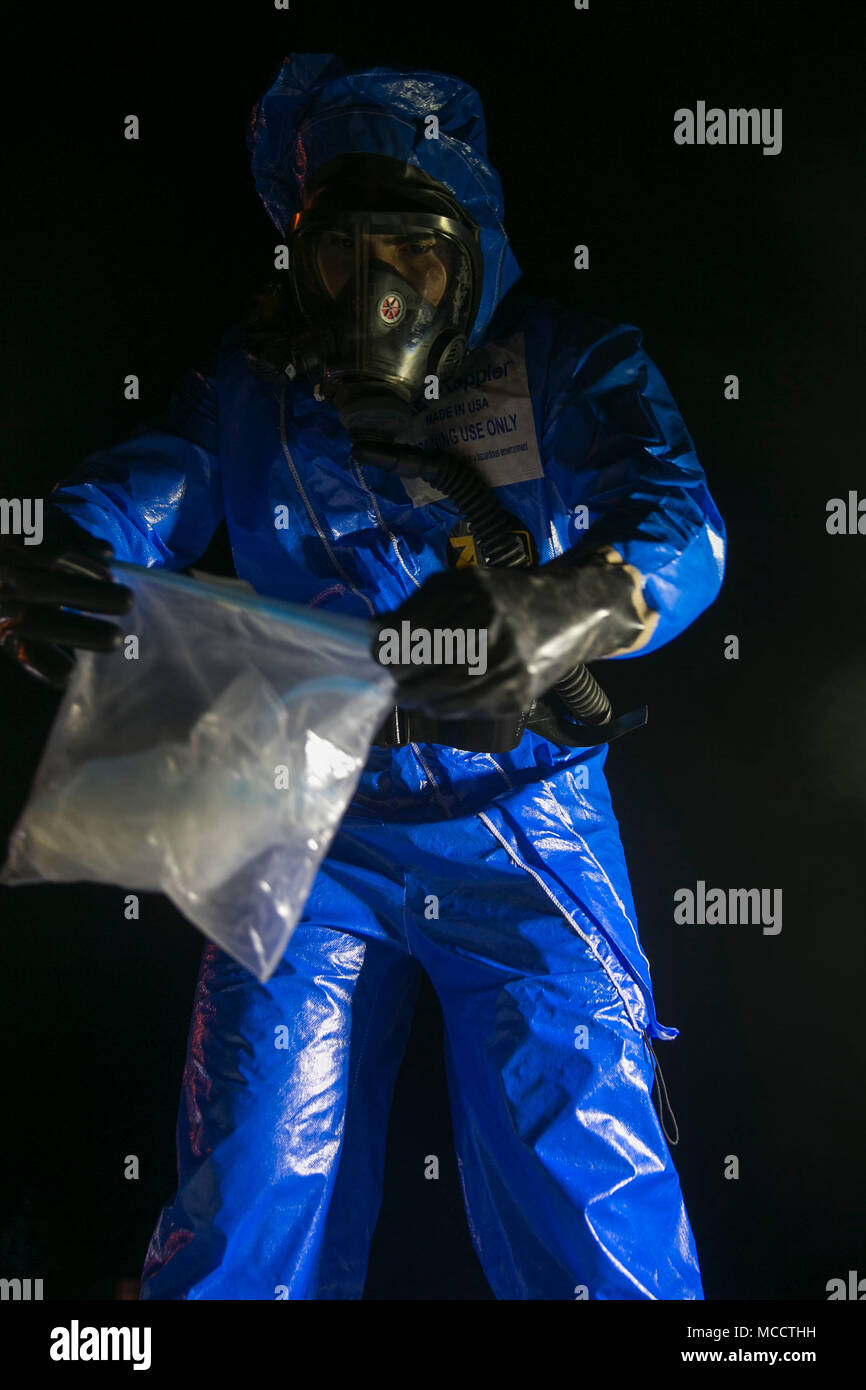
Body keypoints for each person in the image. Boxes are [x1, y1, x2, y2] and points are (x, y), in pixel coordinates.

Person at [0, 53, 725, 1299]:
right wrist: (53, 545)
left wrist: (572, 600)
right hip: (303, 808)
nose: (379, 295)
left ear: (472, 250)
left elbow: (678, 519)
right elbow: (137, 494)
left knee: (583, 1175)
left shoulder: (561, 365)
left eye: (414, 252)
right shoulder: (252, 392)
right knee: (245, 1181)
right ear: (300, 259)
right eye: (343, 255)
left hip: (519, 810)